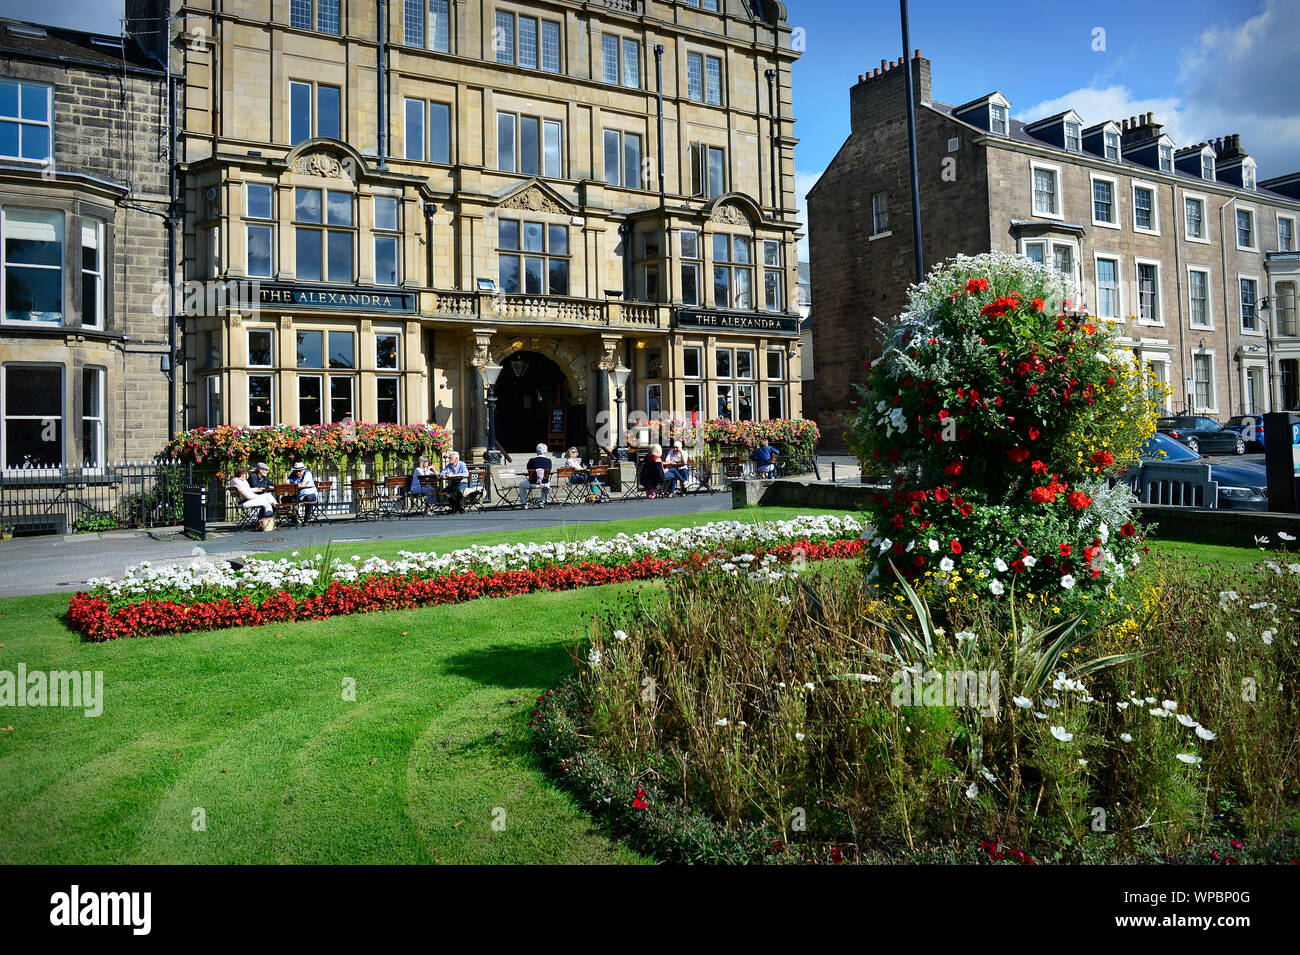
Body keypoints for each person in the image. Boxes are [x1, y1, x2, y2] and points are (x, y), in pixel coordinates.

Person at [229, 465, 278, 531]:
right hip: (244, 502)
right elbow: (247, 495)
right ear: (241, 474)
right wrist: (258, 496)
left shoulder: (241, 480)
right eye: (244, 473)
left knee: (267, 496)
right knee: (266, 500)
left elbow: (248, 490)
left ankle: (273, 509)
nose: (245, 475)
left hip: (246, 500)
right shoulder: (238, 482)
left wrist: (258, 489)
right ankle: (267, 518)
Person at [520, 443, 552, 508]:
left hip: (532, 483)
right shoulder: (549, 461)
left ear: (537, 451)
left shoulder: (532, 460)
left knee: (521, 485)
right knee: (548, 483)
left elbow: (528, 469)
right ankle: (542, 501)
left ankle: (524, 504)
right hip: (544, 483)